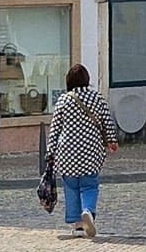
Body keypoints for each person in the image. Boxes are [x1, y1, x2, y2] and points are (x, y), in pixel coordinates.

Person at [48, 65, 119, 240]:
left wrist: (50, 151)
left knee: (71, 187)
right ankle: (87, 210)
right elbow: (107, 122)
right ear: (87, 79)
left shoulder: (63, 100)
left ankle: (78, 225)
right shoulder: (97, 98)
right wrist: (112, 140)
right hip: (90, 150)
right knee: (89, 185)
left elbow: (55, 128)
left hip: (67, 152)